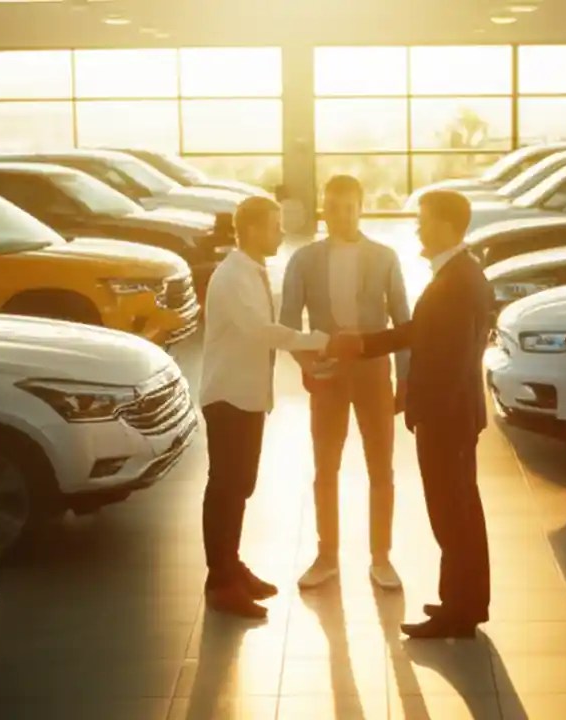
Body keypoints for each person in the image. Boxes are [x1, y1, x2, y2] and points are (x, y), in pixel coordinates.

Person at [343, 189, 493, 638]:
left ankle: (460, 611)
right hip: (456, 415)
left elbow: (449, 360)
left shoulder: (457, 281)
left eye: (423, 220)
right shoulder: (460, 273)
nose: (417, 229)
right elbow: (421, 331)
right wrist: (365, 344)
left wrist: (426, 413)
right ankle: (464, 602)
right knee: (461, 511)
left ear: (446, 225)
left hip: (447, 419)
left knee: (452, 514)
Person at [199, 195, 358, 619]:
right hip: (229, 398)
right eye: (274, 226)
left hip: (247, 397)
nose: (281, 232)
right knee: (226, 489)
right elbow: (263, 331)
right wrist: (321, 341)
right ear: (252, 230)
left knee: (240, 486)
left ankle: (231, 567)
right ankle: (221, 582)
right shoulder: (232, 277)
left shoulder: (250, 271)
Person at [281, 175, 411, 592]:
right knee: (325, 468)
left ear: (361, 208)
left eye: (348, 207)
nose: (340, 215)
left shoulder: (385, 257)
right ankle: (327, 556)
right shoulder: (304, 260)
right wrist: (307, 363)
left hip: (374, 372)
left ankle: (381, 557)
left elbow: (404, 324)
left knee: (381, 467)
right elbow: (288, 325)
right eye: (333, 207)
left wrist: (406, 380)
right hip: (329, 374)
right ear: (324, 208)